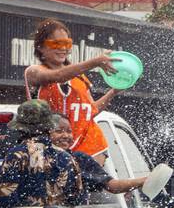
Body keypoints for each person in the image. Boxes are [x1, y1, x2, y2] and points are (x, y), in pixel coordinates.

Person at [25, 18, 119, 164]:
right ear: (40, 47)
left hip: (89, 148)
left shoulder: (81, 78)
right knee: (47, 184)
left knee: (91, 185)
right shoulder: (34, 72)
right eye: (56, 43)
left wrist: (114, 91)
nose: (63, 48)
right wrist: (95, 62)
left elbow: (90, 111)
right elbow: (58, 76)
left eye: (67, 44)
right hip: (48, 150)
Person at [0, 99, 87, 208]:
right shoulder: (67, 158)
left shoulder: (18, 155)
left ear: (21, 129)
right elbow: (78, 199)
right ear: (49, 127)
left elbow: (5, 198)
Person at [49, 114, 147, 195]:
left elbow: (112, 186)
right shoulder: (75, 159)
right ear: (46, 133)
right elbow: (112, 186)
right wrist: (143, 181)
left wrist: (143, 181)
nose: (66, 135)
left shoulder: (79, 159)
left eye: (69, 131)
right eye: (58, 131)